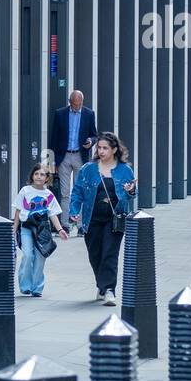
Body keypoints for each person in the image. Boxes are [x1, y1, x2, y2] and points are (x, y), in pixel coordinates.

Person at [67, 132, 137, 307]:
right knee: (95, 254)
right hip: (92, 218)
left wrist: (130, 190)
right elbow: (77, 192)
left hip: (114, 219)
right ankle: (102, 284)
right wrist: (74, 211)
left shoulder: (124, 169)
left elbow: (132, 195)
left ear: (114, 150)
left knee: (110, 254)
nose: (101, 151)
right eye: (99, 147)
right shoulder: (88, 169)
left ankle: (109, 290)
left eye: (105, 148)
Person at [12, 165, 68, 298]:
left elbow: (52, 214)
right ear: (32, 176)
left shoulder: (48, 195)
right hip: (26, 227)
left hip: (42, 229)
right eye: (36, 174)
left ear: (47, 178)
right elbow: (18, 210)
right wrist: (13, 229)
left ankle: (37, 287)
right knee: (27, 255)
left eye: (42, 175)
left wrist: (60, 229)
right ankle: (25, 286)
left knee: (40, 257)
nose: (39, 176)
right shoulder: (25, 191)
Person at [48, 90, 97, 232]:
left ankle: (81, 225)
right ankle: (65, 225)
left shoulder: (89, 114)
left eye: (79, 104)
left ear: (82, 101)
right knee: (64, 193)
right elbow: (53, 138)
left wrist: (91, 141)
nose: (77, 107)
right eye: (74, 105)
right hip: (63, 157)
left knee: (81, 191)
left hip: (80, 156)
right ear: (70, 102)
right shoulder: (60, 114)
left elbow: (94, 134)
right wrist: (52, 162)